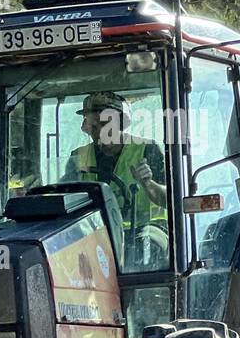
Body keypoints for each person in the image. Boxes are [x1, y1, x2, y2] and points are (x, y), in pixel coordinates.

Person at [64, 91, 168, 266]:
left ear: (121, 123)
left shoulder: (147, 150)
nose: (99, 131)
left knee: (143, 249)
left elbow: (169, 201)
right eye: (94, 125)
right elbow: (64, 197)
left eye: (105, 124)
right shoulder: (78, 157)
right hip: (98, 232)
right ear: (86, 127)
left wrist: (148, 184)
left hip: (146, 228)